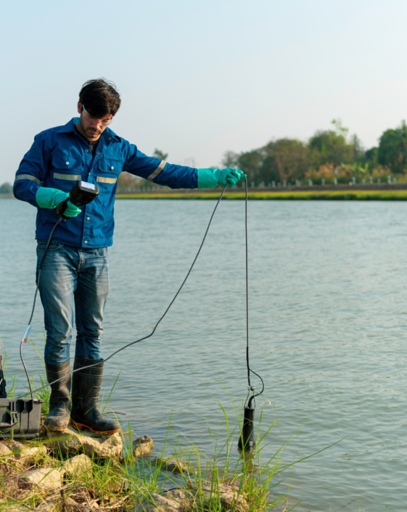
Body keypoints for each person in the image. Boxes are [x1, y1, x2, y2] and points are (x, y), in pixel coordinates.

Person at [13, 79, 245, 435]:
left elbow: (166, 174)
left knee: (93, 331)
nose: (98, 126)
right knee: (59, 330)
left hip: (97, 254)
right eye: (93, 117)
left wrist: (212, 176)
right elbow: (22, 183)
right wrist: (54, 198)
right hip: (56, 249)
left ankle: (86, 409)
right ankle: (59, 407)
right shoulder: (49, 141)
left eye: (105, 120)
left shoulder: (118, 148)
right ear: (79, 108)